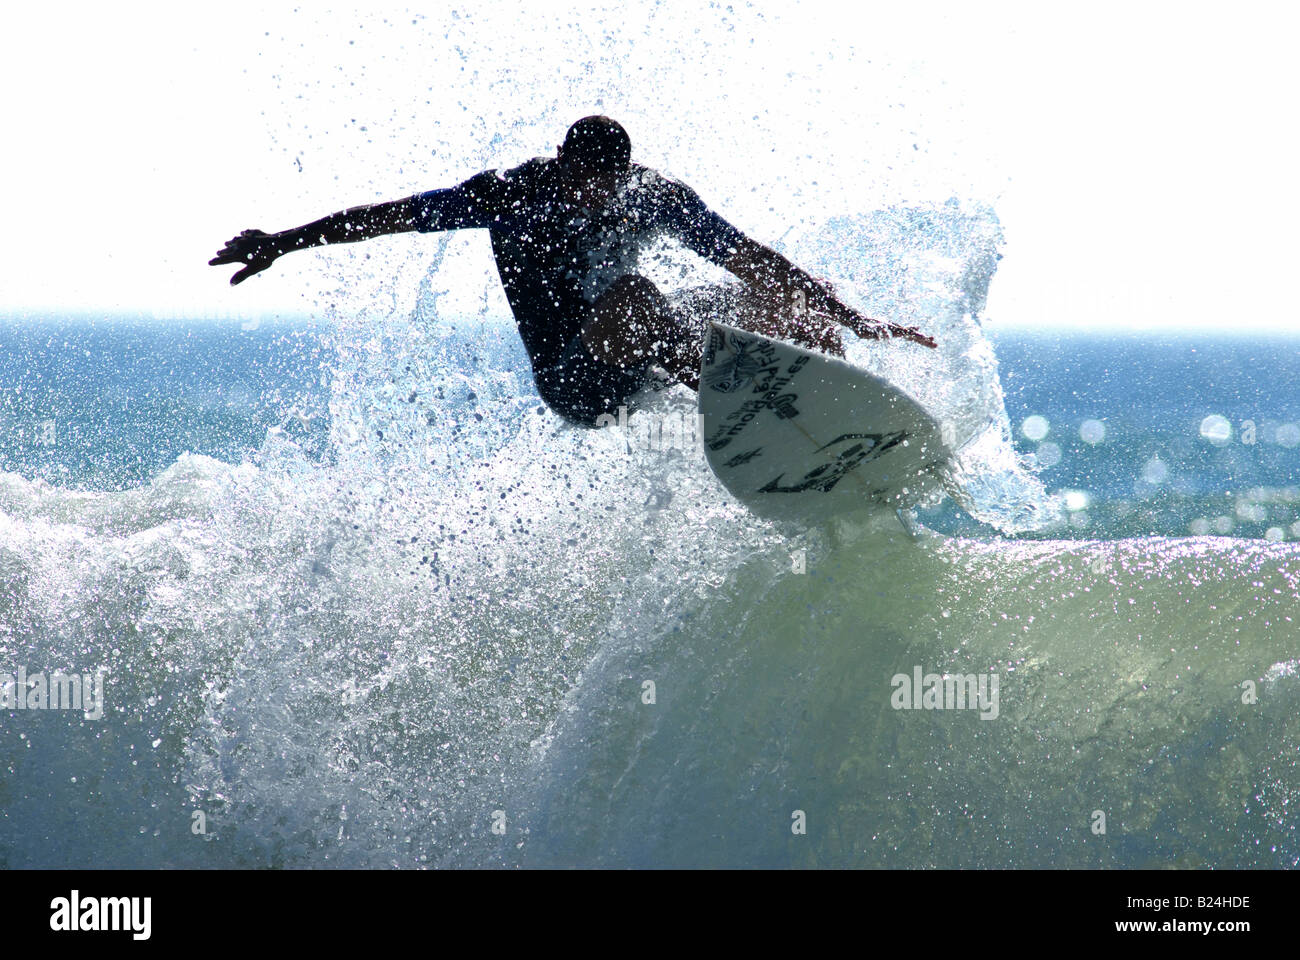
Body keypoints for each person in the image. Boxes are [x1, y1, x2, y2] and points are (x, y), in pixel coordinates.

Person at [211, 115, 936, 426]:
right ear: (562, 167)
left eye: (609, 185)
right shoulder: (510, 195)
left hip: (645, 359)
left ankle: (830, 407)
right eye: (585, 183)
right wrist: (283, 240)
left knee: (774, 296)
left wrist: (845, 316)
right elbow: (389, 216)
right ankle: (739, 402)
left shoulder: (653, 195)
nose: (597, 199)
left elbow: (746, 253)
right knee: (634, 296)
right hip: (573, 380)